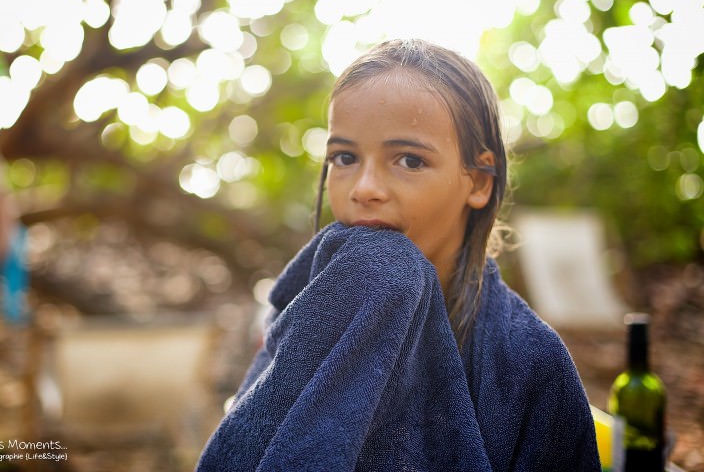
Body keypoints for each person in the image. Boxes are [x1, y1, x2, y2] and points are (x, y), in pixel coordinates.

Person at [197, 39, 600, 471]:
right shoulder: (306, 317)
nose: (364, 188)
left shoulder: (530, 362)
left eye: (409, 160)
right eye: (345, 157)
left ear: (479, 181)